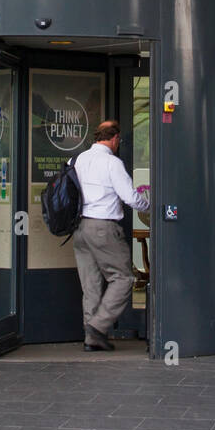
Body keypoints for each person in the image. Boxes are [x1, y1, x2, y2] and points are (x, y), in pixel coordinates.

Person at [72, 119, 150, 351]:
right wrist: (151, 206)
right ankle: (98, 326)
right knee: (123, 278)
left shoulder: (76, 159)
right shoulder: (111, 162)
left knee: (91, 284)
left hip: (79, 229)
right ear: (114, 139)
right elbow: (130, 197)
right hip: (102, 228)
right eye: (119, 141)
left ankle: (91, 337)